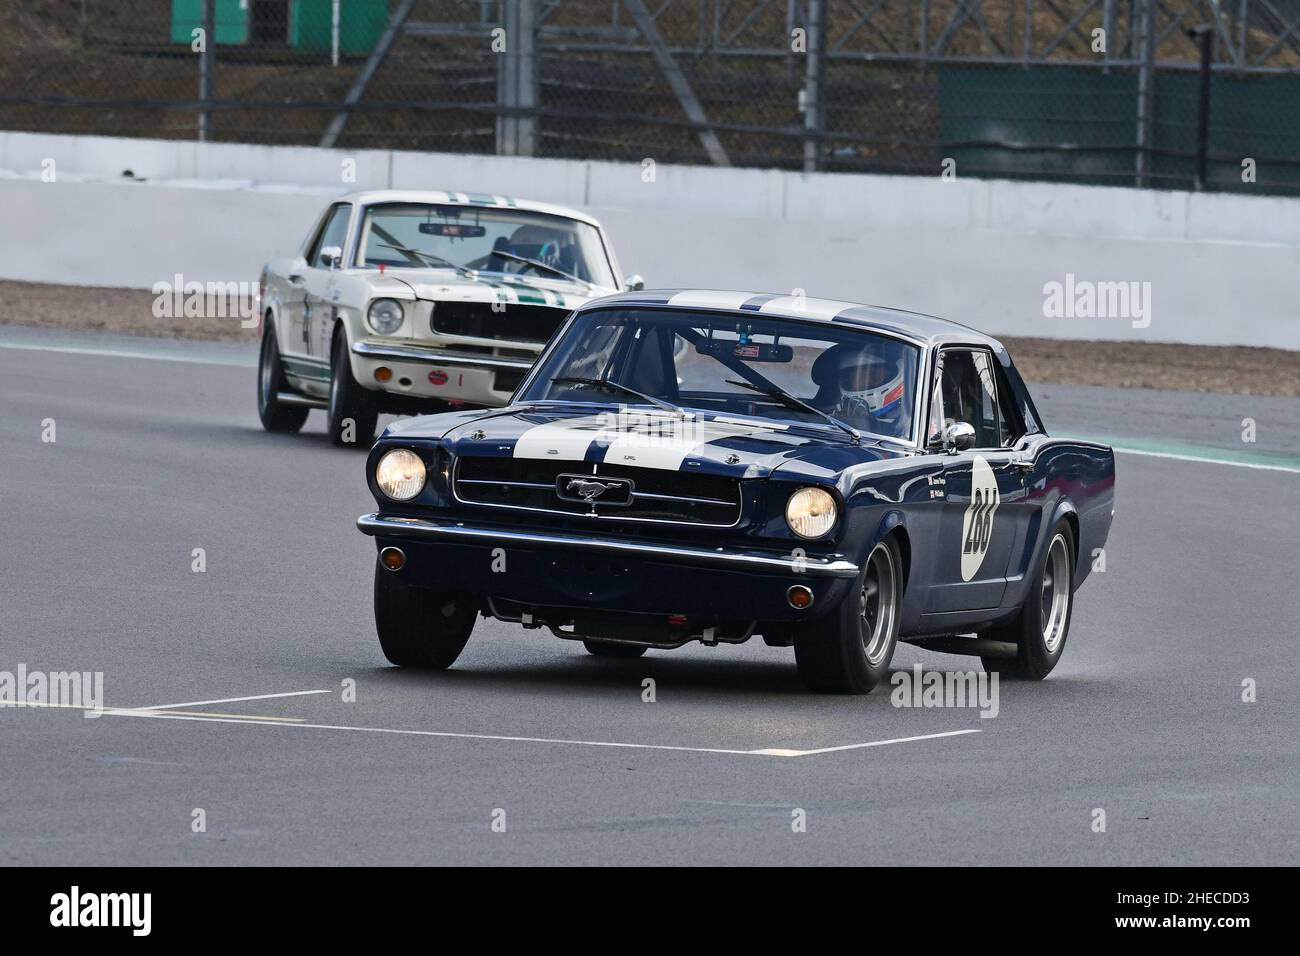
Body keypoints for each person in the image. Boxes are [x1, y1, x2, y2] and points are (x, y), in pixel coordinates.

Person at [811, 340, 910, 436]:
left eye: (873, 376)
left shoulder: (913, 425)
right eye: (849, 378)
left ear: (901, 375)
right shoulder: (823, 421)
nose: (857, 384)